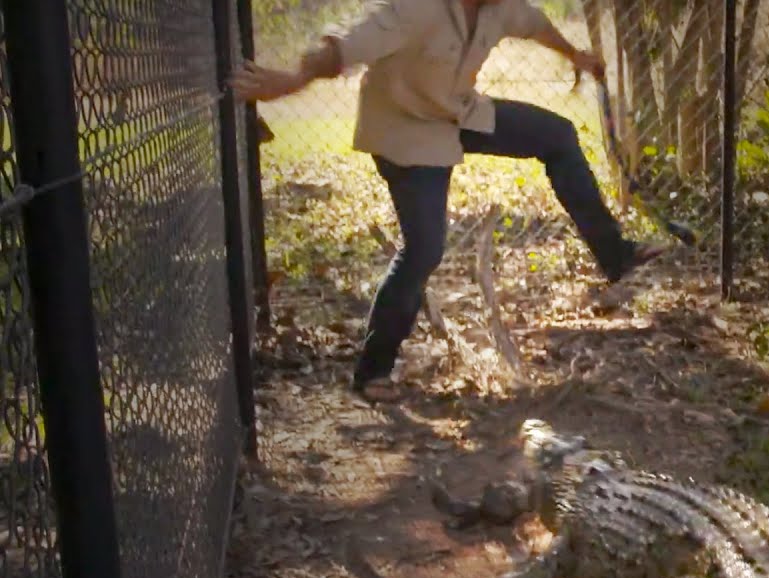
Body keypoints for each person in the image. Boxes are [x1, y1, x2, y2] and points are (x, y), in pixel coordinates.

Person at [230, 0, 665, 401]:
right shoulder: (416, 7)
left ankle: (615, 255)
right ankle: (373, 371)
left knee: (558, 135)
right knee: (424, 250)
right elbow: (344, 48)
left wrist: (575, 56)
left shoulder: (498, 7)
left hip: (456, 112)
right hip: (405, 130)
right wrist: (292, 80)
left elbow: (534, 24)